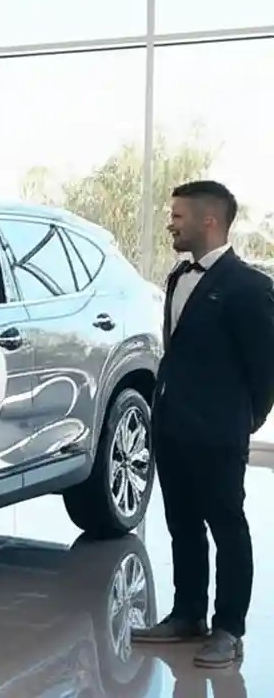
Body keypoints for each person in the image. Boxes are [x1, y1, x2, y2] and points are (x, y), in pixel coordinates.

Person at [130, 180, 274, 668]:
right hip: (171, 428)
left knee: (227, 528)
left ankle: (228, 628)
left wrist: (243, 421)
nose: (171, 223)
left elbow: (265, 369)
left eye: (177, 216)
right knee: (182, 526)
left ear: (208, 220)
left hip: (218, 434)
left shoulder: (250, 287)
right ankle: (187, 613)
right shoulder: (176, 276)